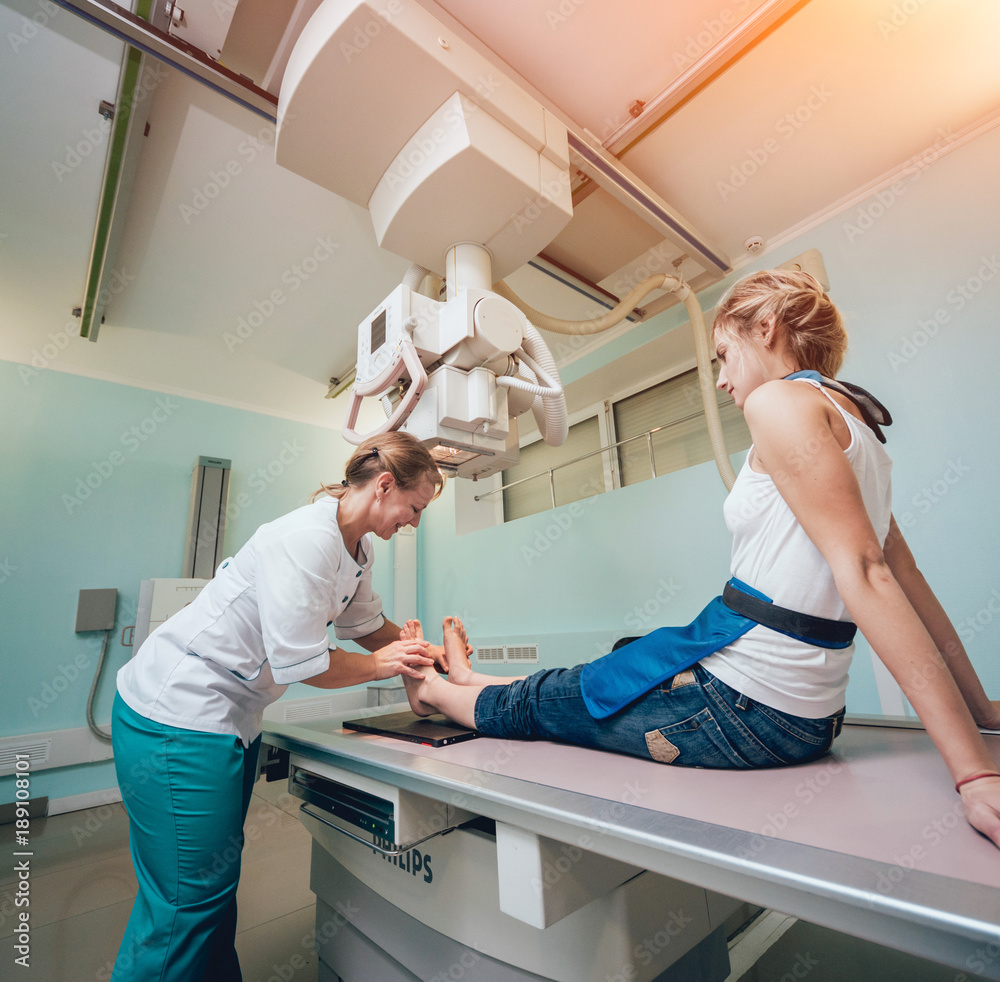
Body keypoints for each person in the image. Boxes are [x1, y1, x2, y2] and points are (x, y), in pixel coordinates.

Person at [401, 269, 1000, 849]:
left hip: (744, 711)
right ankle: (471, 677)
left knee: (544, 705)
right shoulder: (860, 428)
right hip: (809, 720)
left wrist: (975, 776)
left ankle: (433, 692)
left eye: (722, 354)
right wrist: (982, 711)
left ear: (765, 328)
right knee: (598, 672)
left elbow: (869, 574)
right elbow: (907, 579)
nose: (720, 379)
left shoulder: (779, 404)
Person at [110, 432, 447, 981]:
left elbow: (365, 627)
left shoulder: (356, 546)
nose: (413, 521)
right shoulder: (305, 540)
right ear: (385, 485)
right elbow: (305, 663)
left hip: (229, 720)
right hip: (176, 716)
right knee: (183, 905)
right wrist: (387, 666)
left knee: (212, 894)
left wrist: (425, 651)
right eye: (415, 507)